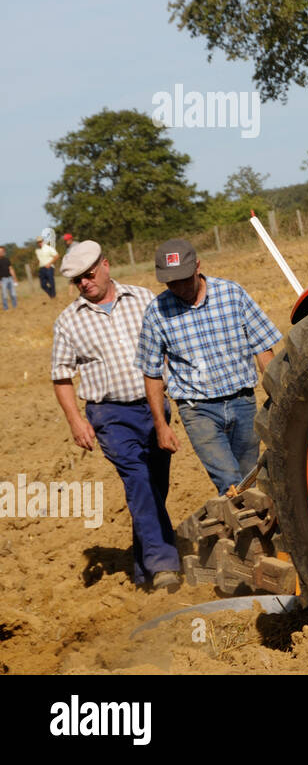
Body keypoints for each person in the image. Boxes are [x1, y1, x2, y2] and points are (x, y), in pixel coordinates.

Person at [50, 241, 182, 592]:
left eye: (89, 275)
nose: (84, 283)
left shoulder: (142, 299)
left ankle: (143, 571)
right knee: (138, 483)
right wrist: (76, 421)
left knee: (156, 489)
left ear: (106, 265)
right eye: (77, 280)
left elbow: (169, 343)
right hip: (109, 415)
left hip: (154, 408)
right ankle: (165, 565)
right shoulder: (69, 321)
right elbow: (61, 377)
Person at [137, 238, 281, 496]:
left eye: (183, 279)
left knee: (251, 481)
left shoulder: (231, 294)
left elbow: (262, 347)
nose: (179, 287)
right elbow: (151, 372)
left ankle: (254, 531)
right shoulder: (156, 312)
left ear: (197, 267)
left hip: (242, 402)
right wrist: (161, 425)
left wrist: (279, 397)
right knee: (231, 486)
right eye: (171, 282)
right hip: (197, 410)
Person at [0, 247, 16, 311]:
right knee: (4, 294)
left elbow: (11, 269)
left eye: (2, 251)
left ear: (4, 252)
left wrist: (14, 278)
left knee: (13, 293)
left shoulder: (7, 260)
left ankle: (15, 307)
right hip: (3, 280)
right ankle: (5, 308)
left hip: (10, 278)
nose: (1, 253)